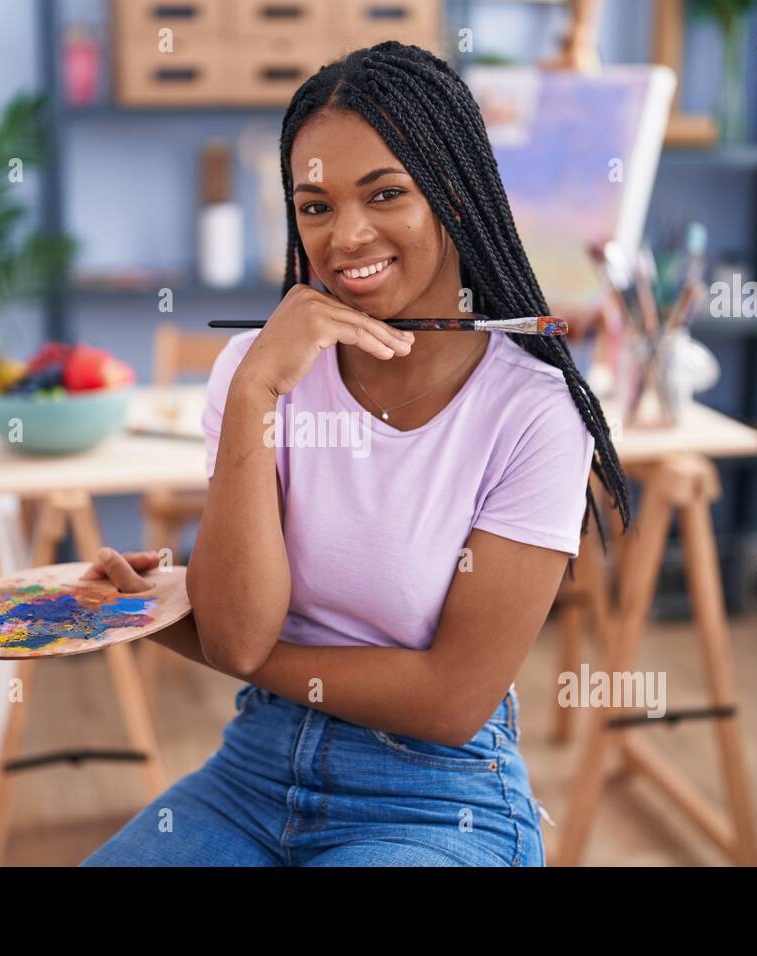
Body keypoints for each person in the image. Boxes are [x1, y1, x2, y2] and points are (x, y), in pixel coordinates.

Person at [80, 41, 631, 867]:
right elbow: (236, 634)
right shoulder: (254, 376)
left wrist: (188, 622)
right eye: (316, 206)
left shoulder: (535, 414)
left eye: (385, 194)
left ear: (454, 188)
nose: (347, 236)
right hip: (252, 774)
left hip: (439, 799)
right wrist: (257, 394)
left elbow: (450, 700)